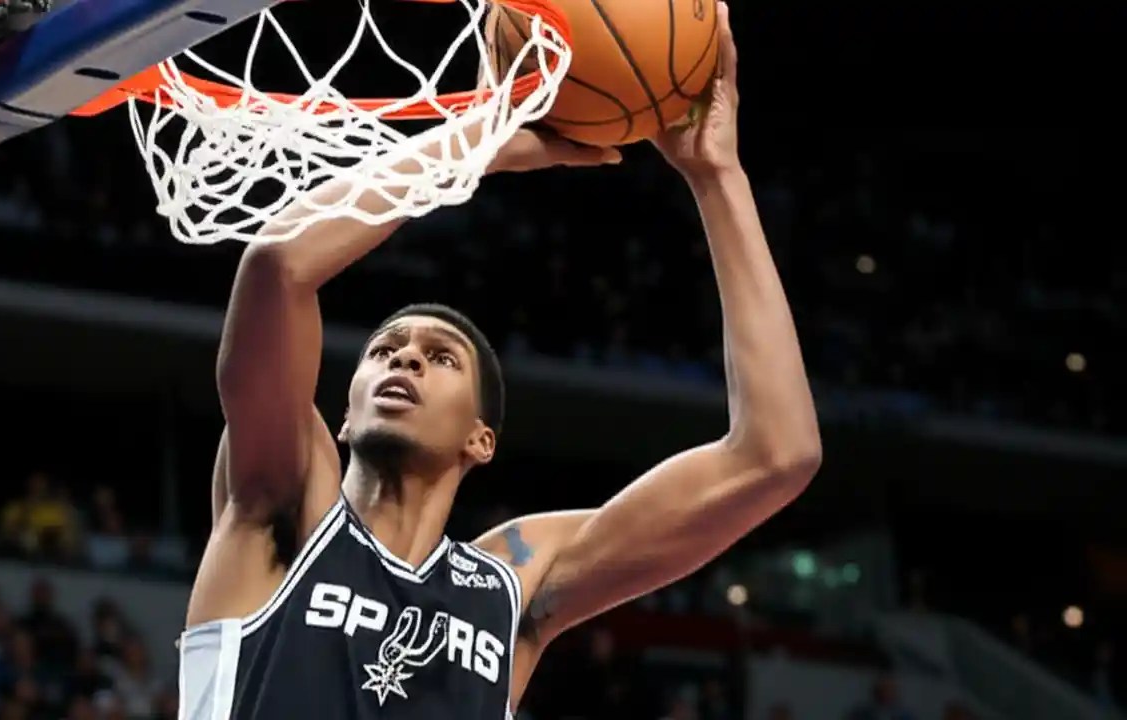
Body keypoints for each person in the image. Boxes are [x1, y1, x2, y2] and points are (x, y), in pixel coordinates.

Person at [179, 4, 821, 718]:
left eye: (439, 357)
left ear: (481, 439)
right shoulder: (279, 508)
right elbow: (279, 264)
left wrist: (716, 176)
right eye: (385, 350)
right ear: (343, 412)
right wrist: (483, 136)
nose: (406, 361)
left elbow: (777, 454)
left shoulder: (509, 584)